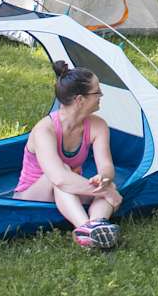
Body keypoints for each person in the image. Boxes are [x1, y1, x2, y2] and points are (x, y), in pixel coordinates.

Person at [14, 61, 125, 251]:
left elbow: (107, 166)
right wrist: (105, 192)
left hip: (68, 192)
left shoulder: (98, 126)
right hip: (32, 194)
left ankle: (96, 225)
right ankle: (85, 228)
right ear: (80, 99)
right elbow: (58, 177)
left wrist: (104, 180)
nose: (101, 96)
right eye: (97, 92)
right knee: (64, 175)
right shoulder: (45, 129)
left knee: (109, 184)